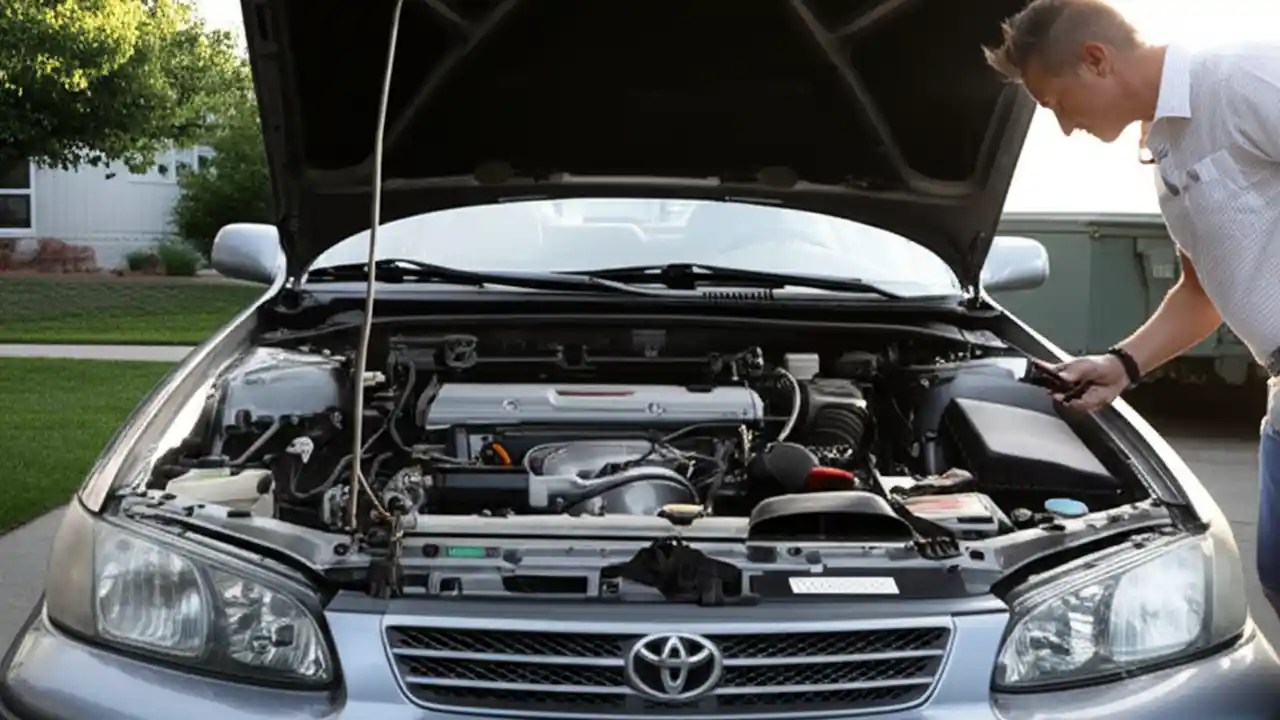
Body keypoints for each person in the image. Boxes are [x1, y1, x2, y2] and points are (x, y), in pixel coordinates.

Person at [982, 0, 1280, 617]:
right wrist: (1123, 365)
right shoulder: (1167, 145)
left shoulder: (1243, 79)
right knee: (1276, 575)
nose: (1064, 127)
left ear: (1095, 60)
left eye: (1056, 103)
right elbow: (1202, 291)